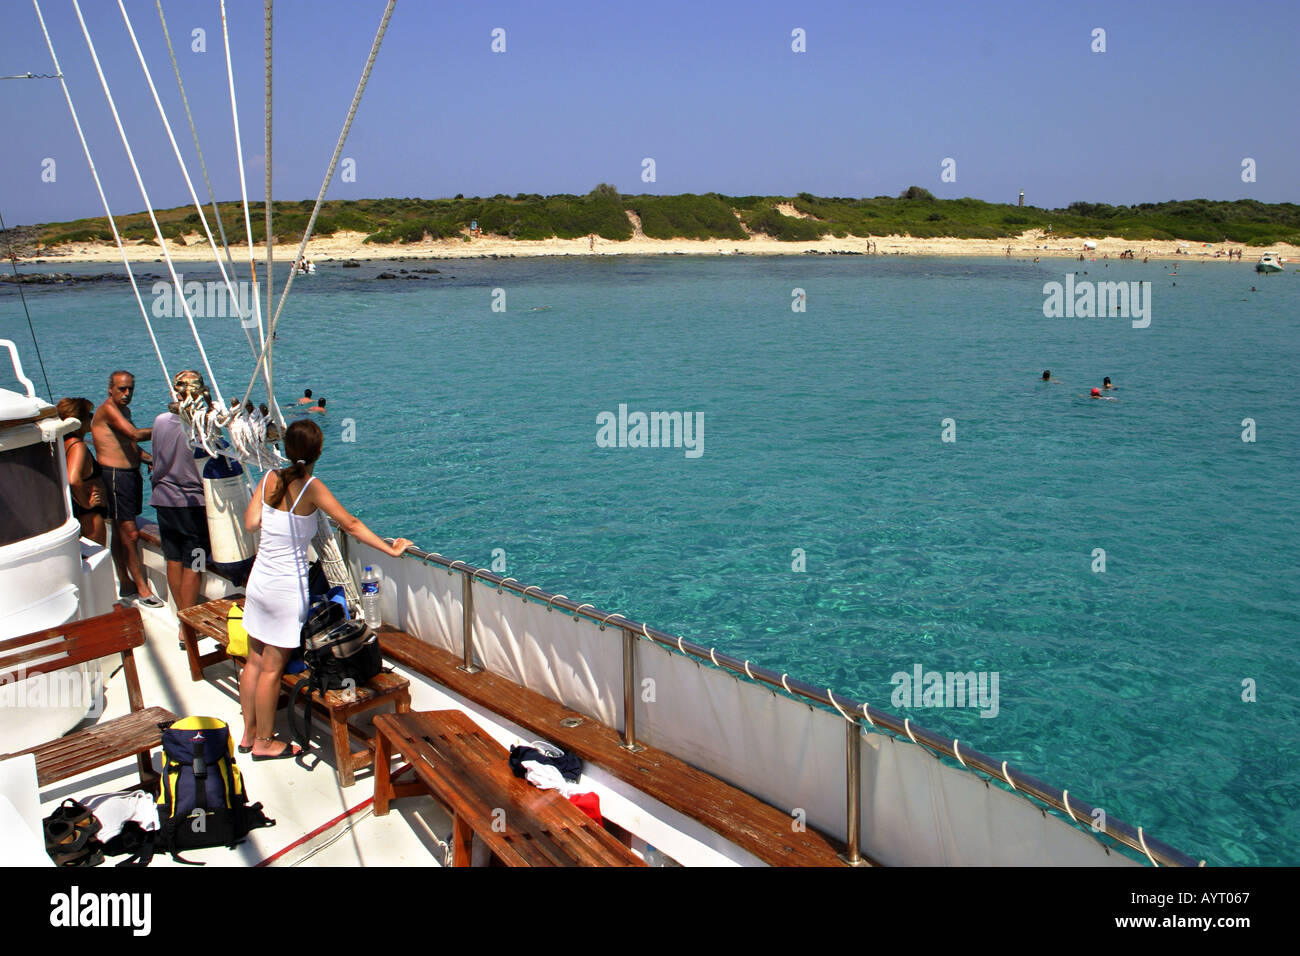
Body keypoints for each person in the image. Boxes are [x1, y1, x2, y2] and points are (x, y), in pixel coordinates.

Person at [237, 419, 412, 759]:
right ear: (318, 451)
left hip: (259, 582)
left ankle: (246, 735)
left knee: (254, 663)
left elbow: (250, 523)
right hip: (286, 590)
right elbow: (351, 524)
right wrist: (391, 549)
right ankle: (263, 741)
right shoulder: (311, 487)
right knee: (272, 669)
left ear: (287, 449)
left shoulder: (269, 478)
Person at [151, 370, 212, 648]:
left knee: (173, 559)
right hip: (192, 504)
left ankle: (180, 617)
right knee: (195, 562)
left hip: (163, 500)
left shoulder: (160, 421)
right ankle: (186, 626)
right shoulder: (201, 427)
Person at [92, 371, 162, 607]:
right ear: (110, 389)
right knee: (130, 533)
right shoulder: (108, 410)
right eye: (122, 389)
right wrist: (166, 425)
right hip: (114, 476)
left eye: (130, 389)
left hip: (130, 475)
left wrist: (147, 458)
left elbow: (127, 444)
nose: (126, 393)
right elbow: (133, 434)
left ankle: (124, 579)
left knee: (122, 528)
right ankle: (142, 589)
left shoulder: (125, 411)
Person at [58, 397, 108, 546]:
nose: (91, 419)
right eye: (89, 416)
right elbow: (73, 479)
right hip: (90, 517)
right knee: (96, 559)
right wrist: (86, 503)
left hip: (79, 513)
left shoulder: (63, 444)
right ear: (79, 421)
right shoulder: (77, 446)